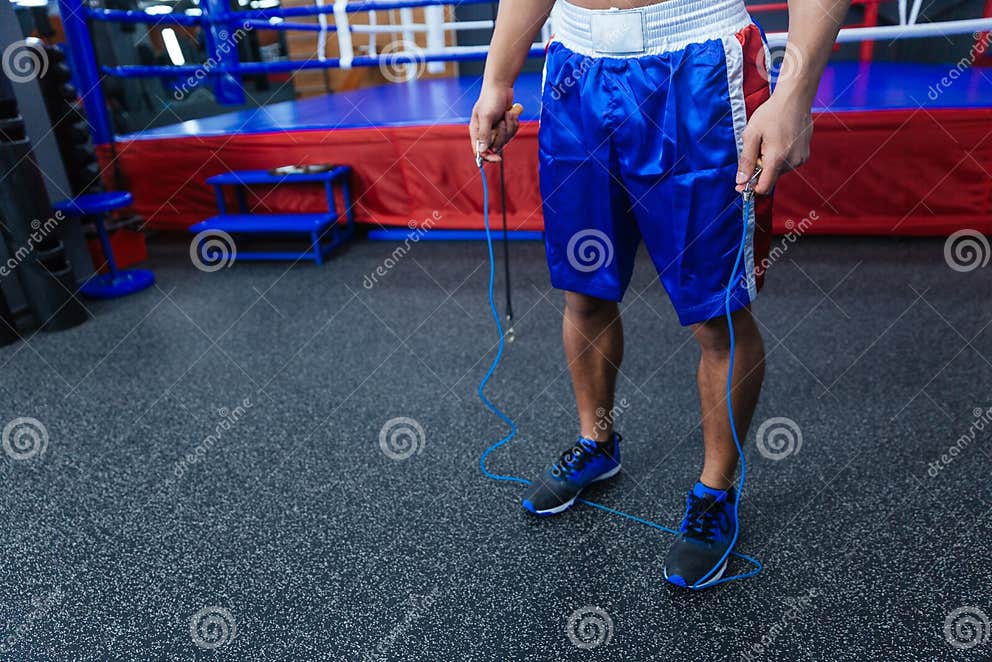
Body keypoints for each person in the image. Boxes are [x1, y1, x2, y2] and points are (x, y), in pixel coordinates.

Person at [469, 0, 847, 588]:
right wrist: (497, 79)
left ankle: (716, 488)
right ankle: (597, 441)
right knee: (583, 289)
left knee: (716, 312)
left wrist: (795, 94)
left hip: (697, 63)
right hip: (577, 69)